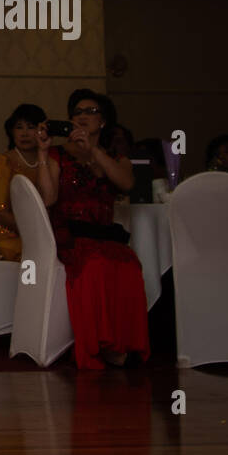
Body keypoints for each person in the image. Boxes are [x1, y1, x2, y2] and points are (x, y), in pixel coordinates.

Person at [33, 89, 149, 369]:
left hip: (104, 233)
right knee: (95, 263)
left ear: (103, 121)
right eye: (77, 113)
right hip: (71, 234)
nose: (83, 117)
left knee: (129, 263)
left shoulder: (115, 158)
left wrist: (92, 149)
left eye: (90, 112)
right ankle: (100, 344)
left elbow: (126, 184)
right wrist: (42, 150)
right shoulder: (58, 155)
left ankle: (121, 343)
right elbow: (48, 199)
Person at [0, 103, 46, 261]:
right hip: (11, 237)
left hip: (43, 235)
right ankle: (30, 284)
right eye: (19, 127)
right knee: (36, 259)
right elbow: (0, 212)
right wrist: (33, 232)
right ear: (12, 132)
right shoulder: (4, 161)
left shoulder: (49, 161)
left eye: (31, 127)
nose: (25, 133)